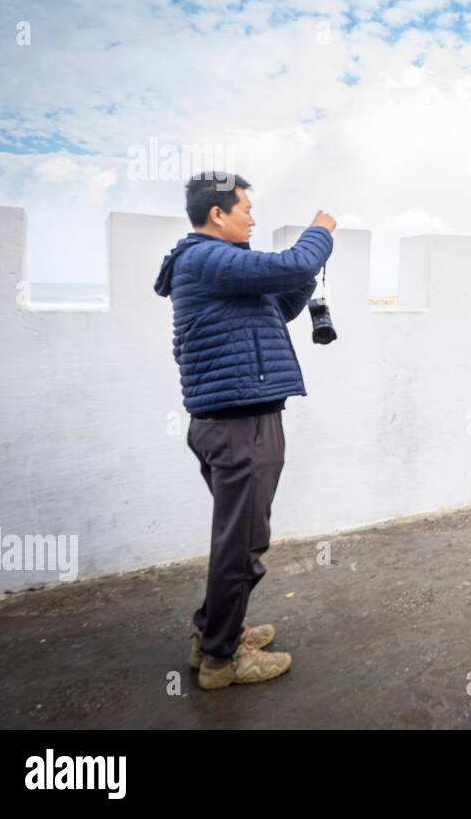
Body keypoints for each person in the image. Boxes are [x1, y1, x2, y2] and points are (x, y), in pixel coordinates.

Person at [153, 172, 336, 690]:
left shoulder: (217, 267)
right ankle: (220, 659)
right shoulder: (206, 257)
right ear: (218, 214)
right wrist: (319, 233)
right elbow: (294, 260)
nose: (253, 218)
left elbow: (277, 307)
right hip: (239, 423)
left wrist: (302, 279)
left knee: (239, 538)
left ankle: (215, 632)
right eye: (246, 209)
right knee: (244, 543)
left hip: (240, 418)